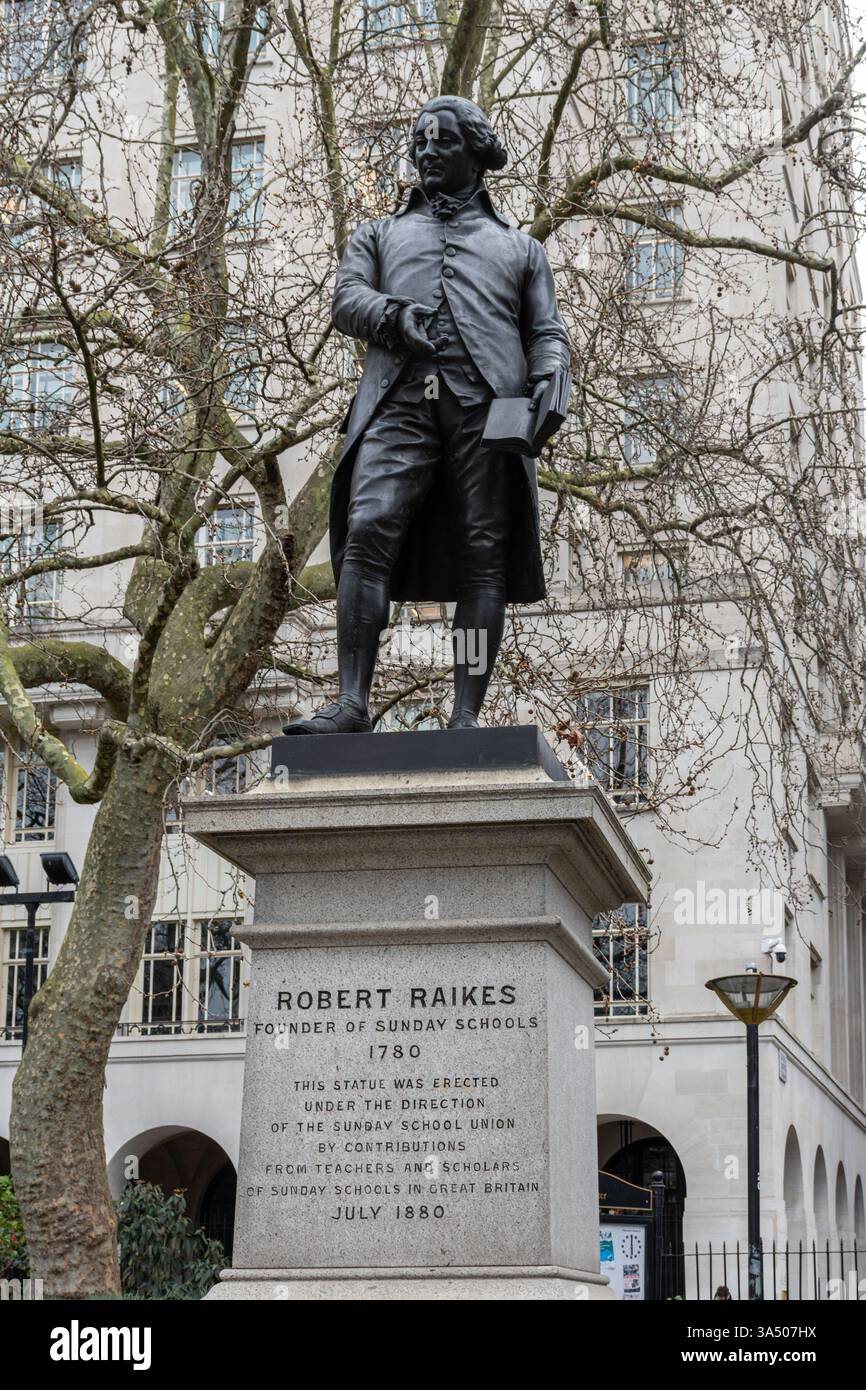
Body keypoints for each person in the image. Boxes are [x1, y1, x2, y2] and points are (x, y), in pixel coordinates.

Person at [284, 95, 571, 735]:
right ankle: (352, 702)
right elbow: (347, 299)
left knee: (482, 557)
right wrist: (393, 317)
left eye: (441, 140)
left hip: (487, 411)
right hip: (400, 399)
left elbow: (545, 332)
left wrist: (551, 379)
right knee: (366, 528)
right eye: (419, 141)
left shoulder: (520, 249)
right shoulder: (379, 235)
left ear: (474, 150)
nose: (426, 150)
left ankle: (466, 713)